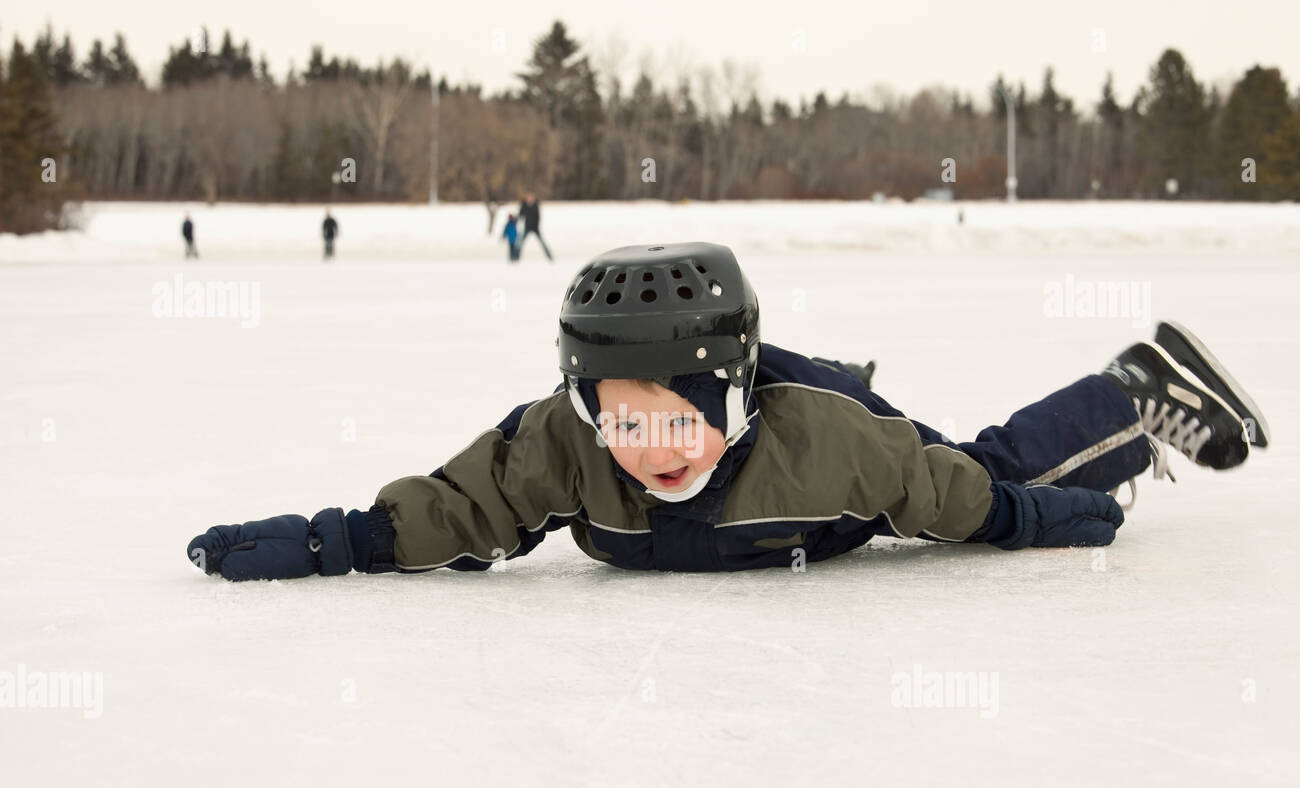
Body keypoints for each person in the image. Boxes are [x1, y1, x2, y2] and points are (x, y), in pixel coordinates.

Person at [186, 242, 1268, 581]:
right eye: (622, 420)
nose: (650, 447)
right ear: (582, 405)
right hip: (794, 408)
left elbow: (938, 493)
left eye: (679, 417)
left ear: (734, 396)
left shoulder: (823, 444)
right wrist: (343, 538)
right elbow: (465, 502)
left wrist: (1017, 515)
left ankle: (1135, 389)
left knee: (984, 461)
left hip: (844, 429)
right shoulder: (564, 447)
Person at [514, 191, 552, 261]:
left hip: (535, 227)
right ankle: (516, 258)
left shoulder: (536, 205)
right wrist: (515, 220)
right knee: (520, 243)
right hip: (527, 227)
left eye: (531, 197)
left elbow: (538, 217)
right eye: (528, 197)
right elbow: (520, 215)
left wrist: (536, 225)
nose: (530, 199)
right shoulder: (524, 205)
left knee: (543, 243)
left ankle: (550, 257)